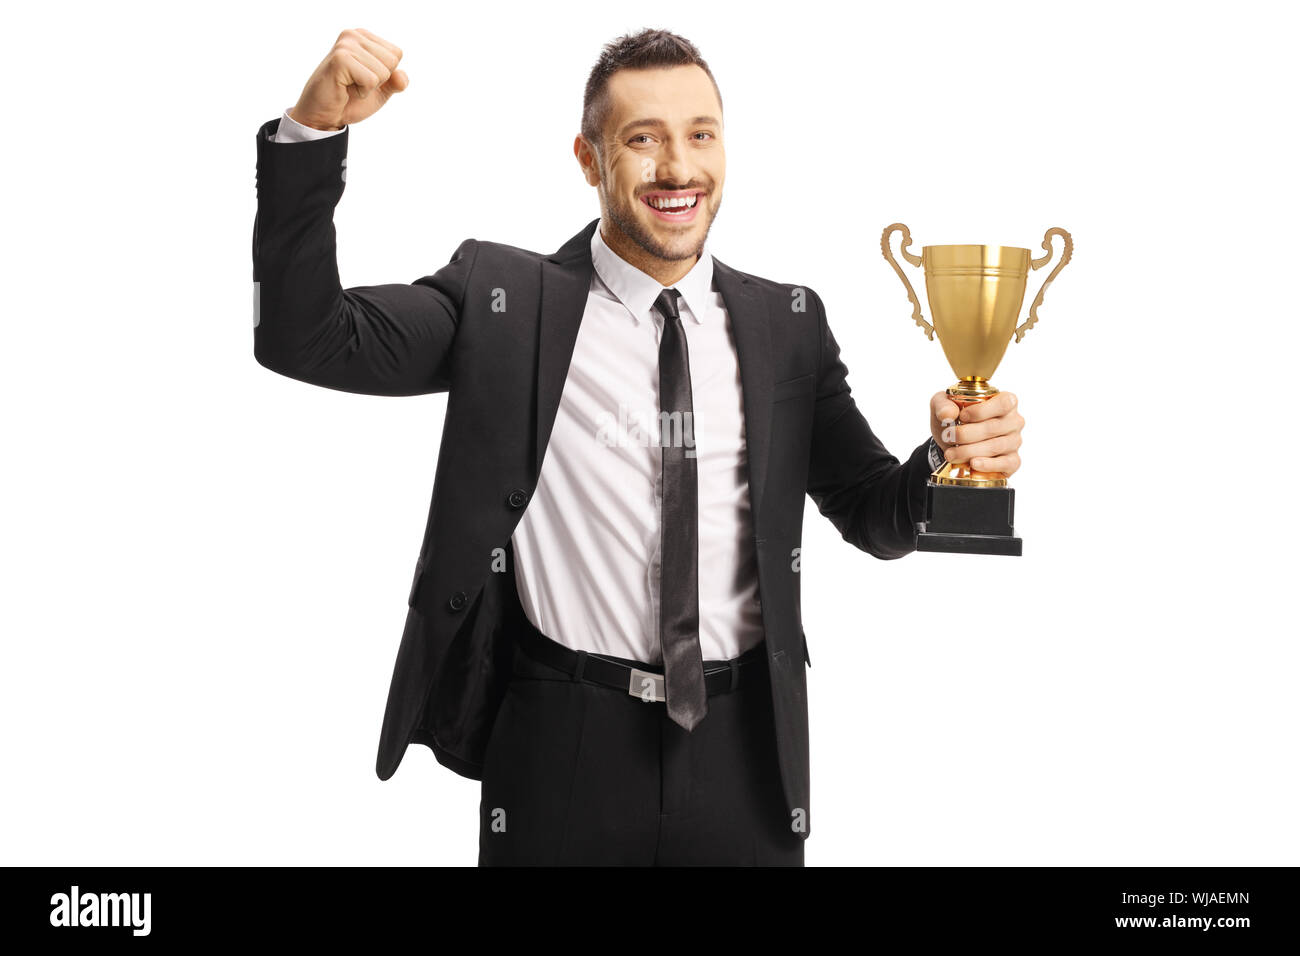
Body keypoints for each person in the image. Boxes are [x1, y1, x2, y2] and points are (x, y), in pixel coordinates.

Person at [251, 26, 1026, 865]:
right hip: (564, 746)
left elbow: (875, 514)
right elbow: (305, 336)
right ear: (588, 159)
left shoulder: (786, 326)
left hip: (747, 755)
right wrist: (313, 132)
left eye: (700, 134)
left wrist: (948, 452)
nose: (678, 168)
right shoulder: (507, 303)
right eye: (642, 139)